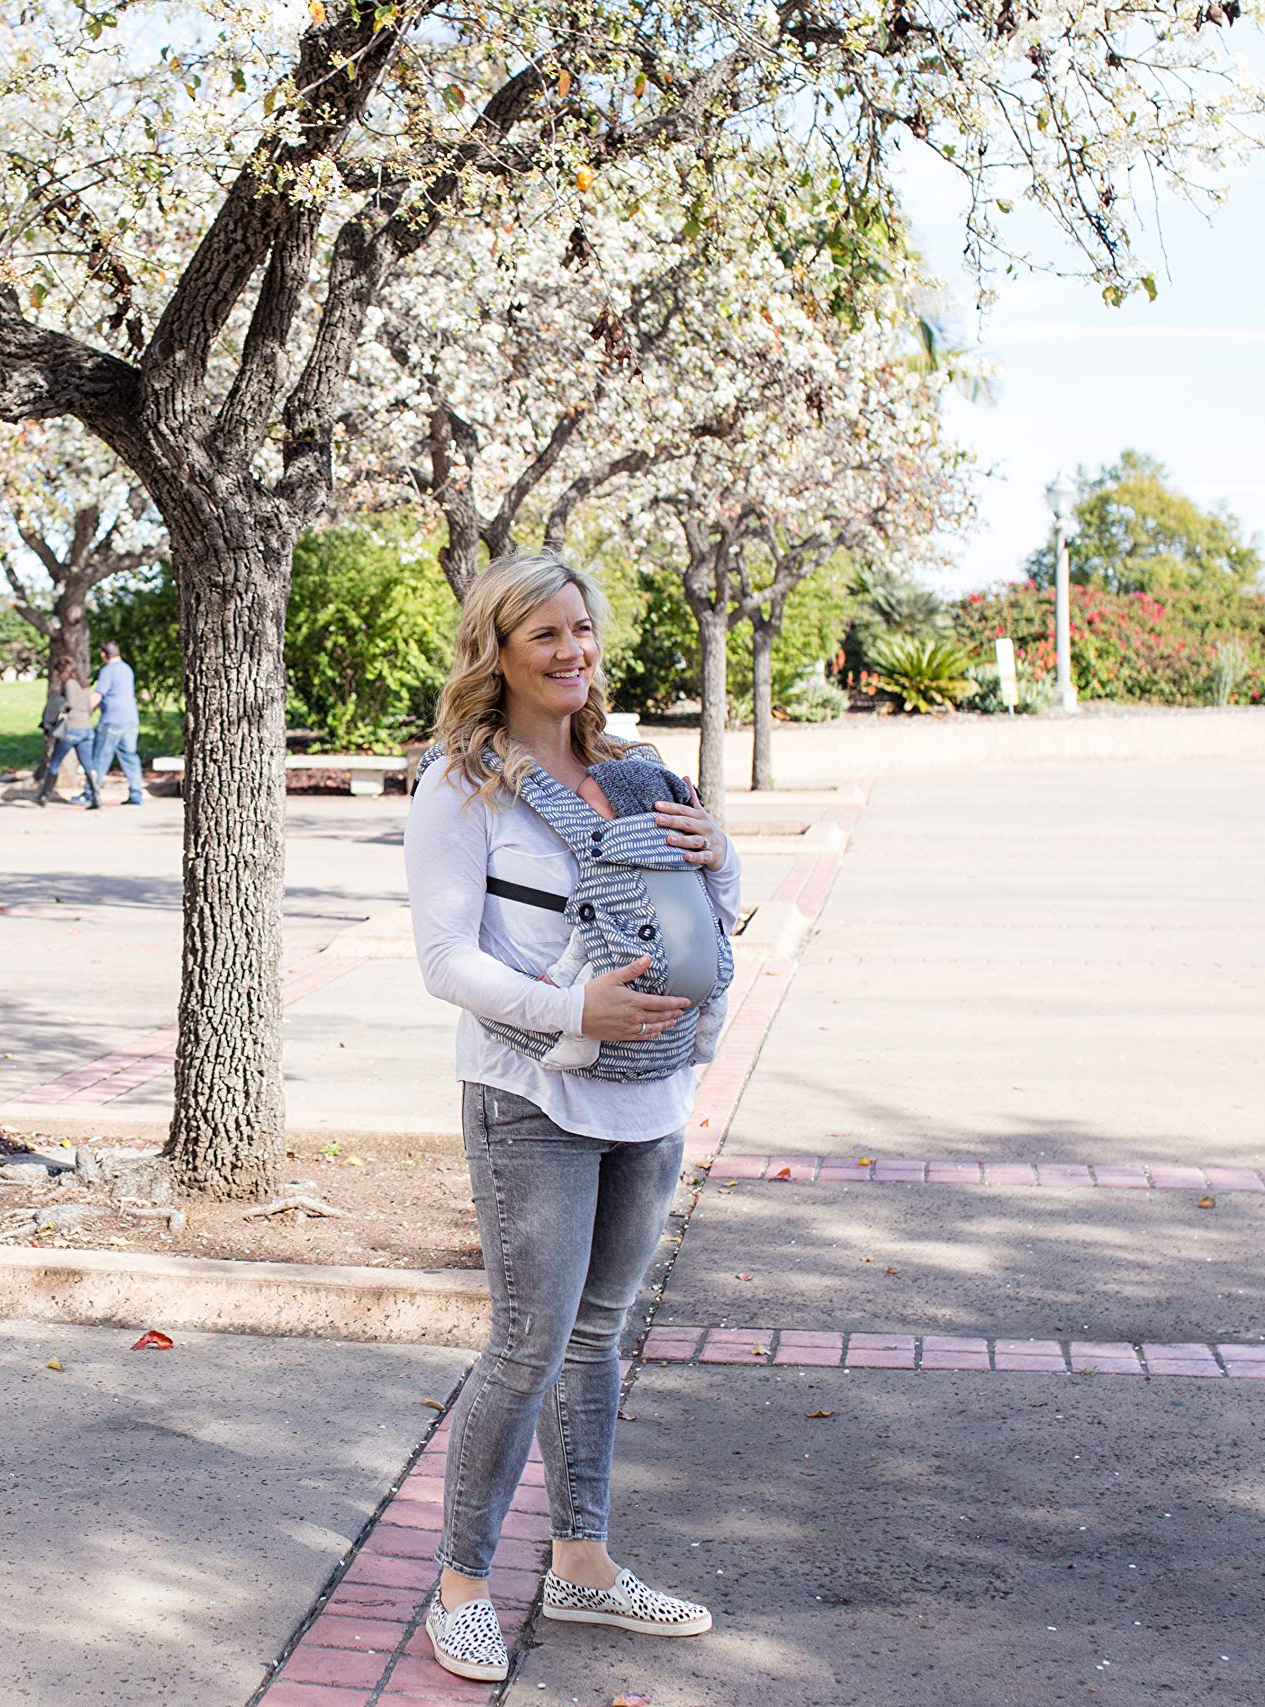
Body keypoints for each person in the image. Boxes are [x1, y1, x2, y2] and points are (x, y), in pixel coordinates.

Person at [402, 549, 741, 1685]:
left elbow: (702, 921)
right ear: (496, 650)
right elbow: (446, 962)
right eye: (543, 633)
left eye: (581, 629)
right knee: (528, 1345)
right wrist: (572, 1005)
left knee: (597, 1337)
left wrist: (718, 856)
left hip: (651, 1092)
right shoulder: (462, 785)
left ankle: (582, 1566)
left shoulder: (644, 776)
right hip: (532, 1094)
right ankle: (458, 1585)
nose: (571, 652)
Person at [78, 639, 143, 809]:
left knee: (100, 757)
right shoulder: (127, 669)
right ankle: (136, 794)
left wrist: (84, 713)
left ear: (103, 655)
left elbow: (98, 694)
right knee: (130, 756)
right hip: (130, 719)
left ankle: (90, 793)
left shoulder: (107, 670)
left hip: (112, 719)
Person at [35, 663, 91, 803]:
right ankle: (96, 795)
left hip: (72, 727)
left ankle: (44, 794)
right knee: (88, 764)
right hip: (86, 728)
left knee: (55, 762)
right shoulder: (84, 686)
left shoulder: (70, 683)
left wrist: (57, 710)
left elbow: (70, 703)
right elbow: (89, 707)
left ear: (63, 672)